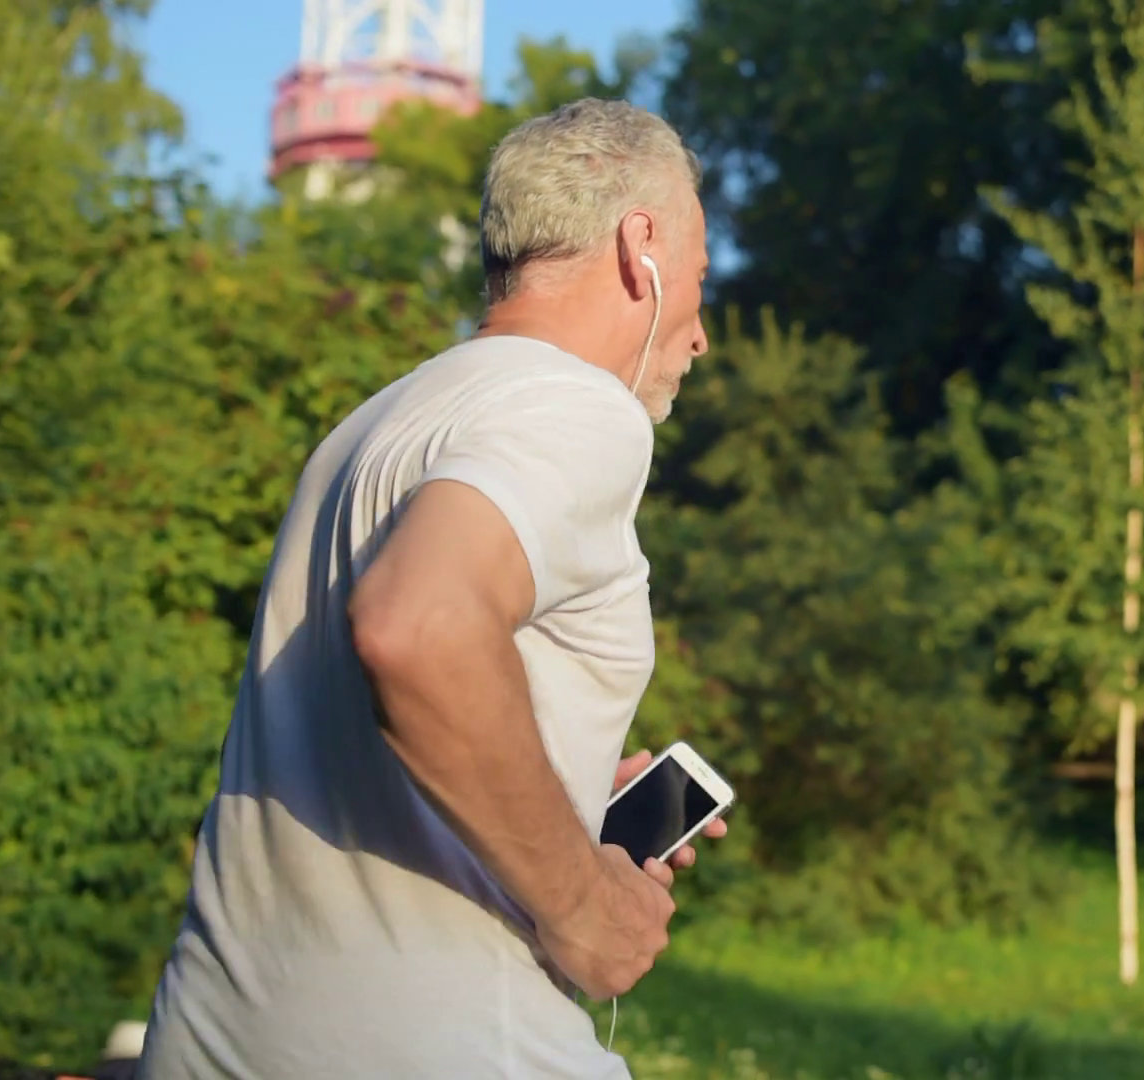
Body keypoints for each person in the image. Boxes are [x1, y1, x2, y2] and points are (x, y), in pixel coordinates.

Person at [136, 98, 718, 1079]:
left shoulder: (377, 422)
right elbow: (415, 628)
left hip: (209, 1044)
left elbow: (369, 723)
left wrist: (558, 789)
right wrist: (584, 905)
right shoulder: (579, 407)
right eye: (702, 281)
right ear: (641, 247)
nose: (700, 337)